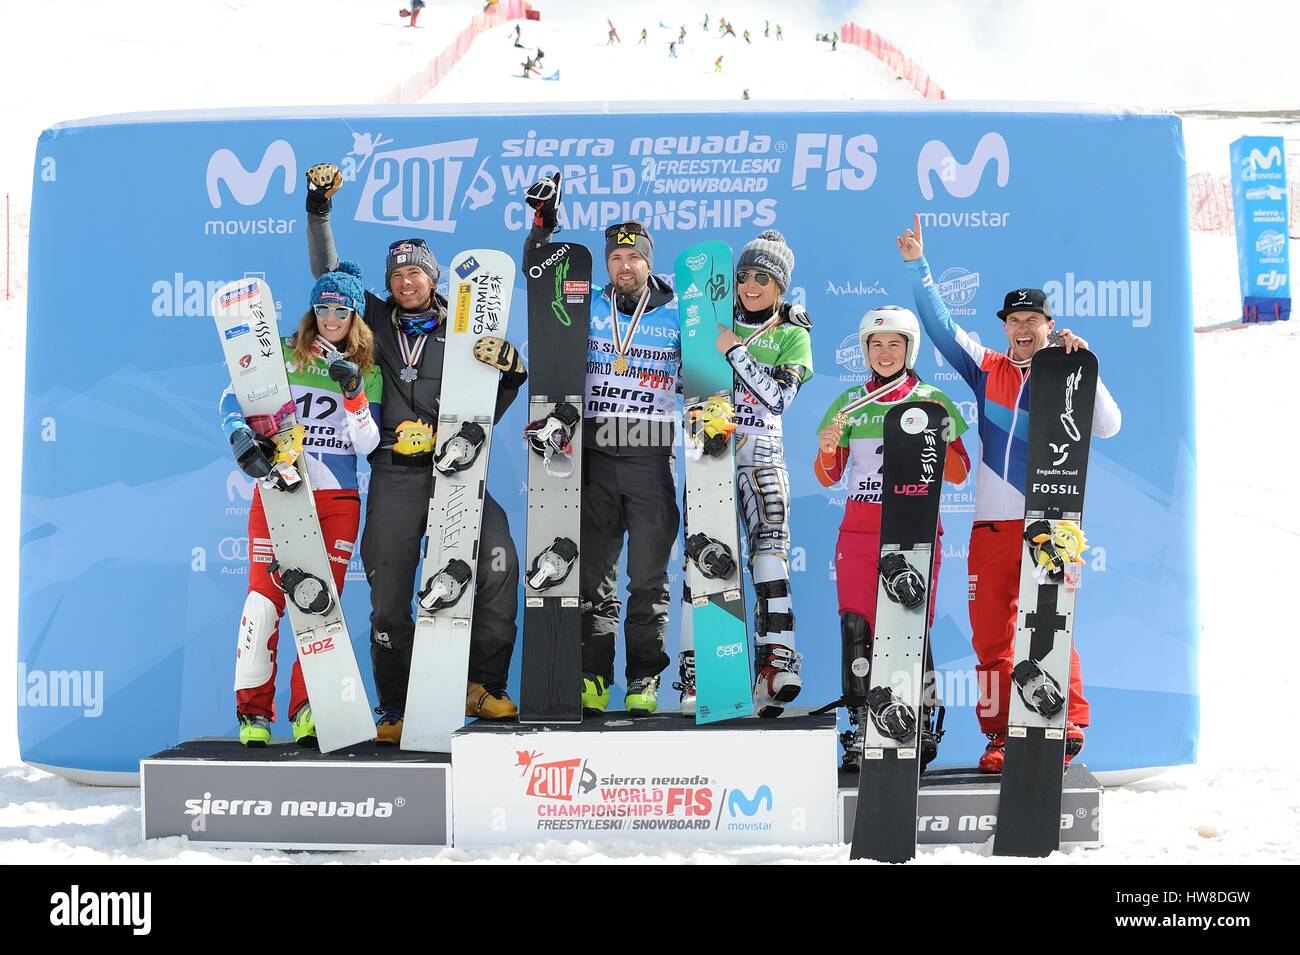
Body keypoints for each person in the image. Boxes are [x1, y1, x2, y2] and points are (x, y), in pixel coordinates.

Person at [304, 163, 527, 744]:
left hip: (457, 475)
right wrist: (319, 211)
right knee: (388, 594)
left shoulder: (462, 322)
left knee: (499, 558)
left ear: (433, 278)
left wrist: (513, 371)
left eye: (416, 273)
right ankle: (395, 705)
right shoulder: (371, 321)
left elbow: (489, 397)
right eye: (397, 273)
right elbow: (330, 277)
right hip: (395, 476)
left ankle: (483, 684)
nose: (406, 282)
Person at [896, 214, 1122, 771]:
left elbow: (1110, 425)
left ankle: (1066, 723)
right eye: (1014, 320)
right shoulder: (987, 367)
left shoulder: (1067, 370)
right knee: (991, 638)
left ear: (1050, 325)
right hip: (992, 525)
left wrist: (1084, 368)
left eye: (1033, 320)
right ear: (1005, 327)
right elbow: (943, 328)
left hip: (1054, 522)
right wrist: (918, 266)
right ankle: (999, 735)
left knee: (1054, 621)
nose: (1023, 328)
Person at [523, 177, 680, 717]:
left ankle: (642, 679)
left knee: (649, 577)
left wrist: (788, 316)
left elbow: (721, 351)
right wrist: (544, 225)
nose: (624, 266)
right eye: (616, 257)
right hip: (594, 453)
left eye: (633, 257)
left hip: (650, 450)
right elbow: (539, 274)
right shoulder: (586, 304)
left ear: (648, 262)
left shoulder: (679, 310)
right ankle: (592, 677)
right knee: (592, 574)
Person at [221, 262, 383, 748]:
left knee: (317, 608)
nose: (331, 317)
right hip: (279, 489)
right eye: (323, 307)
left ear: (354, 315)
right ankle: (253, 713)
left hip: (337, 497)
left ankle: (308, 709)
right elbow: (233, 396)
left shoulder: (366, 371)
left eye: (341, 309)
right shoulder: (283, 355)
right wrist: (238, 433)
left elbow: (368, 444)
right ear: (312, 310)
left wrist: (352, 392)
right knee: (263, 602)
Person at [815, 305, 971, 770]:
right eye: (876, 345)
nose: (885, 353)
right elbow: (827, 476)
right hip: (860, 528)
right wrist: (827, 447)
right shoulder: (847, 403)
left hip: (915, 528)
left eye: (894, 344)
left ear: (909, 349)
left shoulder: (932, 400)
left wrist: (937, 439)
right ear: (865, 350)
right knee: (856, 627)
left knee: (909, 626)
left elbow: (960, 474)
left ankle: (918, 724)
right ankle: (862, 728)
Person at [679, 231, 813, 718]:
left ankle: (775, 662)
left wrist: (737, 351)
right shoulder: (713, 323)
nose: (750, 285)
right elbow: (682, 379)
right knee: (703, 556)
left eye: (763, 278)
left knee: (770, 554)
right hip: (711, 454)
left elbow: (778, 399)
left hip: (762, 454)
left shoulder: (794, 333)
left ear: (780, 287)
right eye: (744, 277)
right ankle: (700, 665)